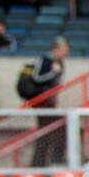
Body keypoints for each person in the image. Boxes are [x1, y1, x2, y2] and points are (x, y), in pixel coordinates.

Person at [30, 36, 68, 167]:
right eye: (63, 50)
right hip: (41, 103)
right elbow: (36, 78)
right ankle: (45, 162)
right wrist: (52, 72)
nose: (65, 53)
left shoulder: (60, 63)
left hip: (50, 104)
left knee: (50, 131)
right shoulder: (44, 60)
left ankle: (42, 163)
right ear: (55, 50)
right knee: (52, 130)